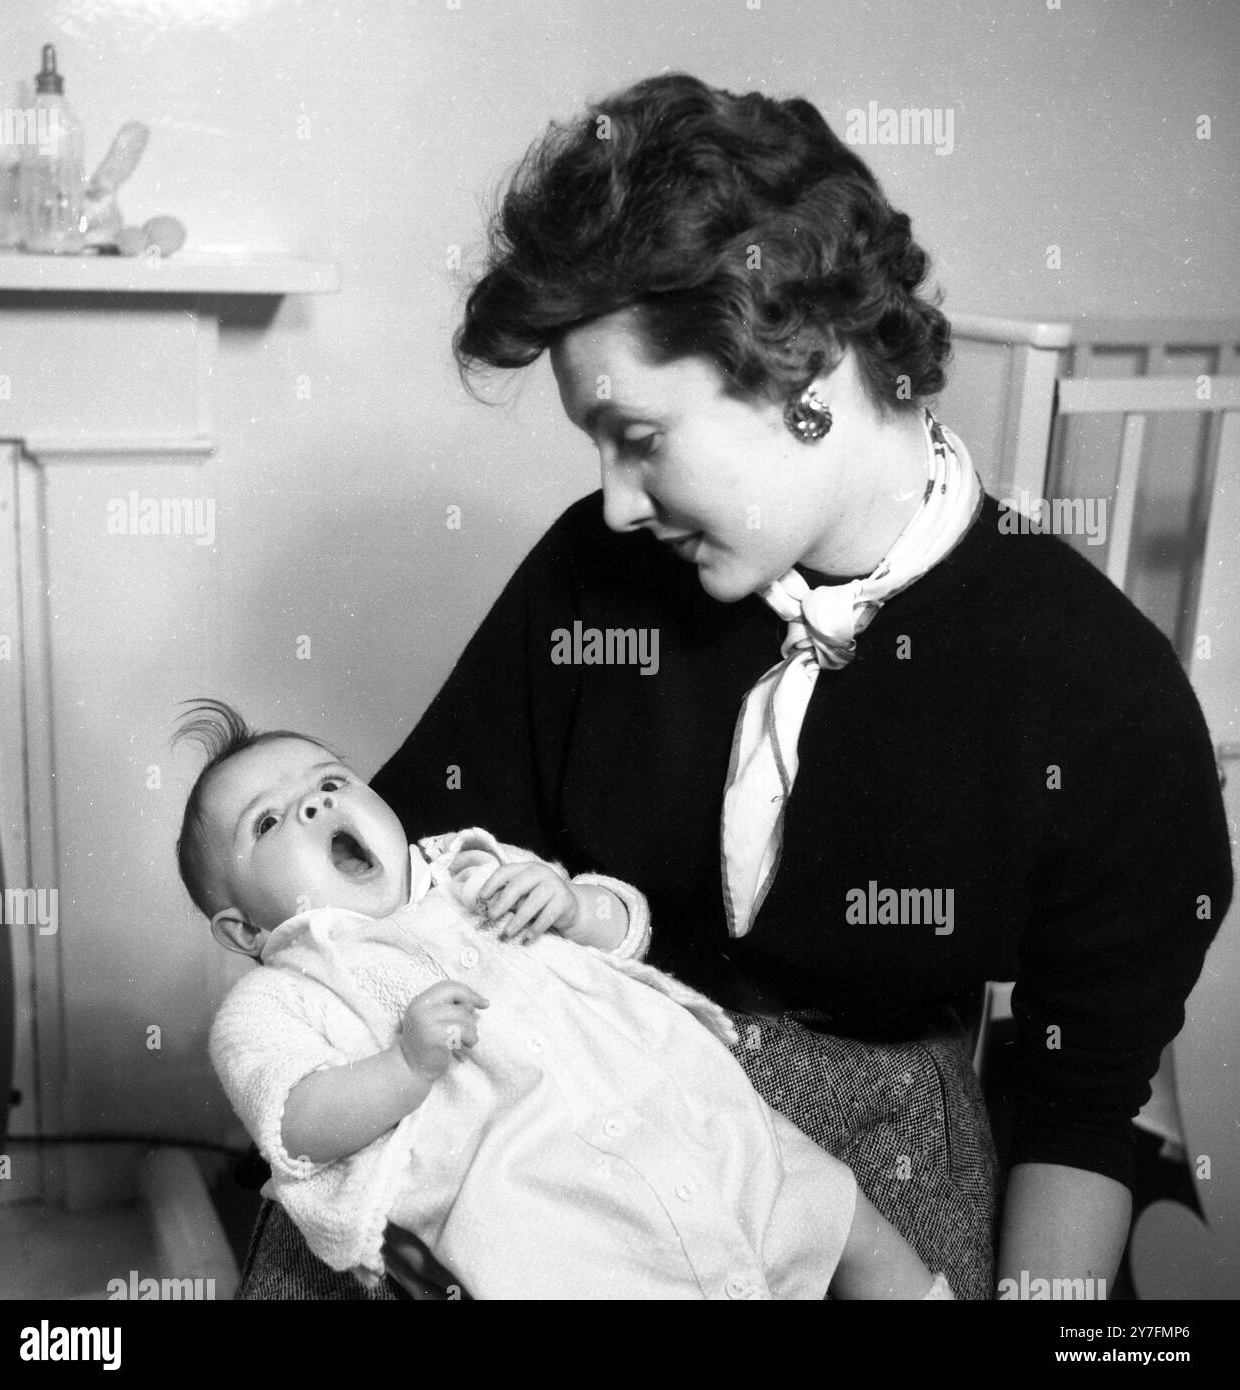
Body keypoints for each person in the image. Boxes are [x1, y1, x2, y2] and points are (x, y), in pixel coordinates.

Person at [239, 72, 1232, 1301]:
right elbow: (387, 891)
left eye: (639, 438)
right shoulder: (592, 579)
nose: (610, 500)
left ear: (801, 368)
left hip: (862, 1179)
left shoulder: (1101, 695)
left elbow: (1079, 1109)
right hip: (531, 1145)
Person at [181, 700, 954, 1299]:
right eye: (271, 821)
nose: (314, 807)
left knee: (839, 1211)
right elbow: (295, 1129)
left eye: (329, 783)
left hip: (694, 1120)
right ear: (242, 927)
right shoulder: (275, 1001)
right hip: (550, 1215)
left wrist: (573, 903)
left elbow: (627, 935)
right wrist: (403, 1067)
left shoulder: (475, 866)